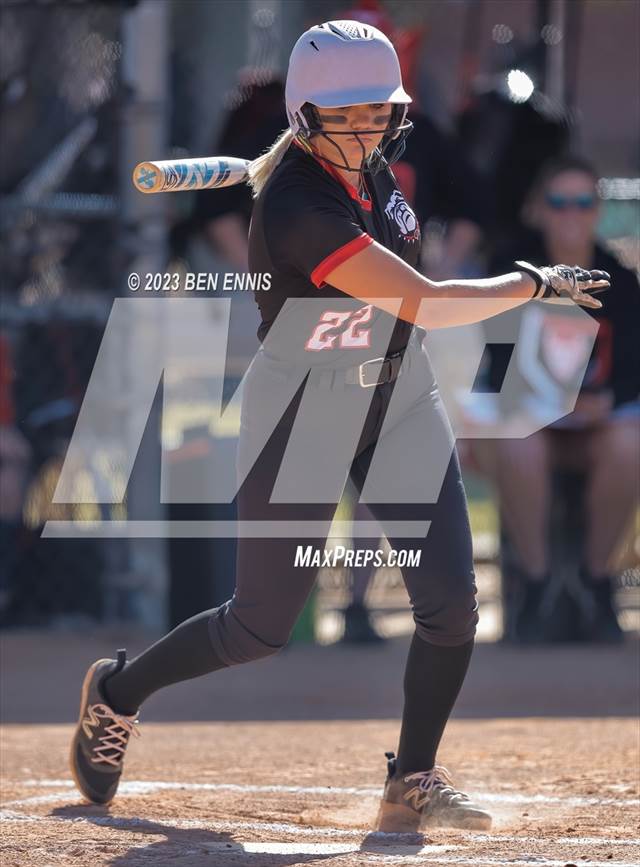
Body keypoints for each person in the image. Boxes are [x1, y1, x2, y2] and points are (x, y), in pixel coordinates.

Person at [69, 21, 608, 833]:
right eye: (345, 114)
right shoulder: (296, 207)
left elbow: (405, 313)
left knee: (452, 606)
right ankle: (116, 692)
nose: (364, 129)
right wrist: (531, 284)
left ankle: (412, 775)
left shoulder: (363, 165)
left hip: (397, 396)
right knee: (258, 628)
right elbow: (422, 299)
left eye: (377, 112)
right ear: (304, 113)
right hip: (304, 412)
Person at [476, 155, 640, 643]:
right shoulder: (508, 274)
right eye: (559, 202)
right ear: (539, 210)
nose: (571, 213)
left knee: (629, 446)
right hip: (527, 425)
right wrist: (549, 406)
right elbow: (495, 364)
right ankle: (538, 586)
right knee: (518, 445)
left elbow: (632, 374)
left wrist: (603, 403)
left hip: (598, 428)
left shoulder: (622, 281)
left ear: (597, 210)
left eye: (583, 202)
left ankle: (595, 584)